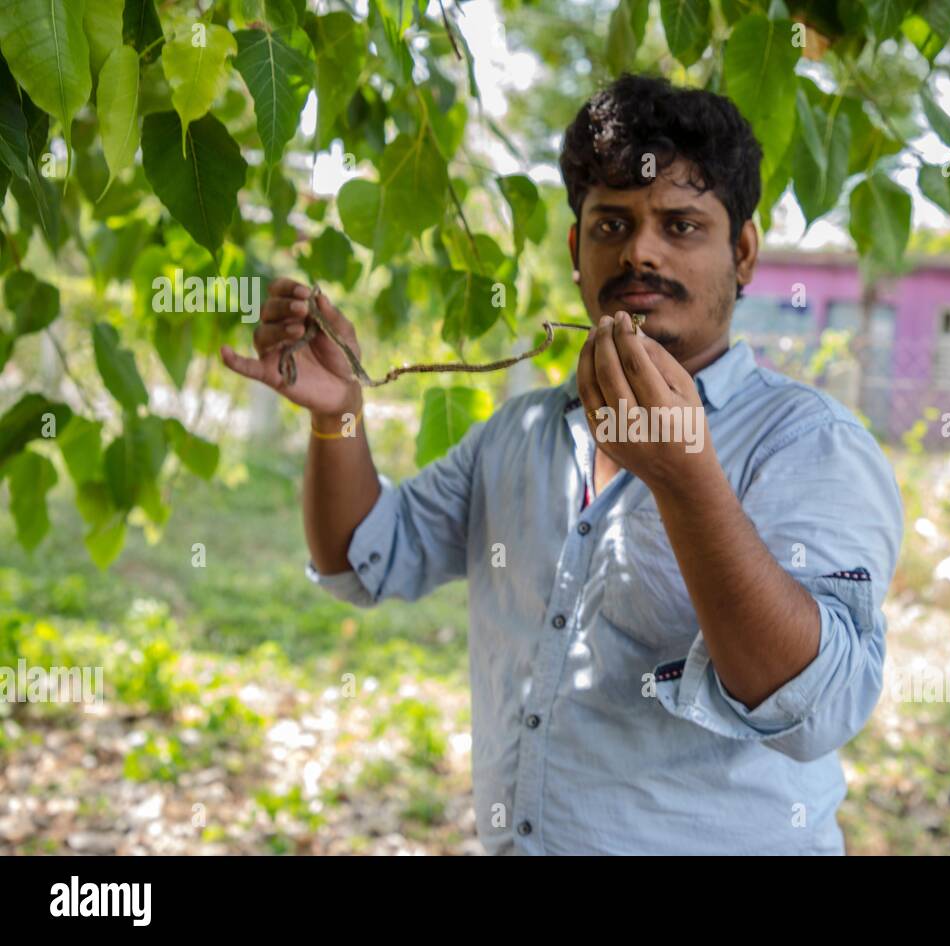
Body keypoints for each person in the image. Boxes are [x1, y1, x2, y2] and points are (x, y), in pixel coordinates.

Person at [220, 73, 904, 855]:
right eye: (612, 224)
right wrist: (338, 417)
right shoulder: (520, 434)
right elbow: (365, 558)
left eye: (680, 226)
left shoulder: (810, 443)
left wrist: (686, 480)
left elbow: (818, 709)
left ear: (742, 253)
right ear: (577, 249)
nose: (640, 250)